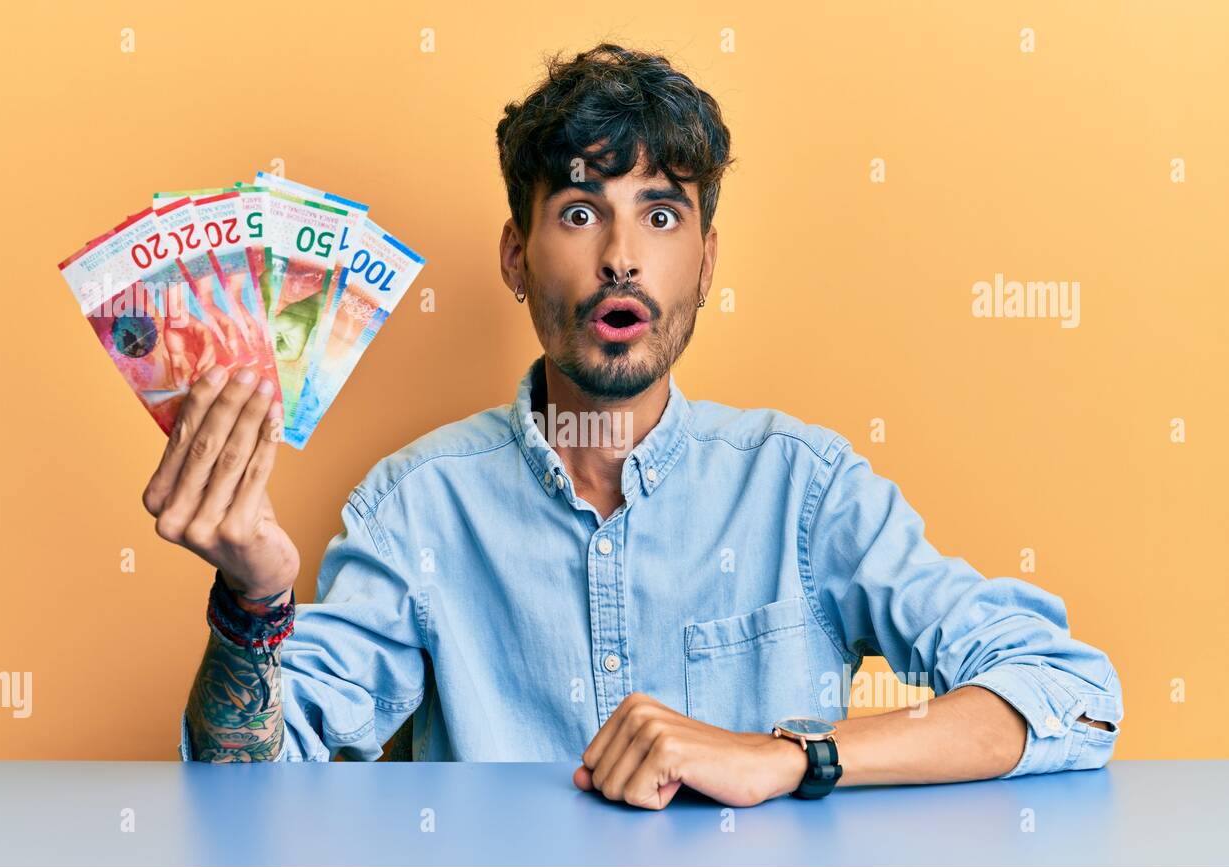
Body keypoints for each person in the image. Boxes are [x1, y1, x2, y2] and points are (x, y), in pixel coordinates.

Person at [143, 43, 1122, 810]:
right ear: (516, 257)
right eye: (578, 212)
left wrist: (786, 756)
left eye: (660, 216)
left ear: (704, 263)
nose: (620, 257)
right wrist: (254, 599)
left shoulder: (804, 488)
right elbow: (245, 790)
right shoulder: (416, 508)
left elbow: (1068, 692)